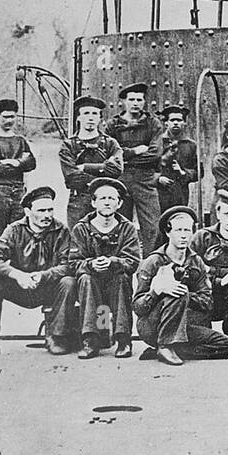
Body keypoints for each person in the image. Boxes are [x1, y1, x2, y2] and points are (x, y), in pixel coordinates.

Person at [0, 185, 76, 358]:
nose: (47, 215)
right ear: (27, 211)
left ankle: (55, 337)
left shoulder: (61, 231)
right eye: (41, 210)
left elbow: (69, 264)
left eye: (50, 210)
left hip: (48, 287)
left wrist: (44, 275)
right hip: (20, 286)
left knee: (68, 282)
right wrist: (17, 275)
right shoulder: (14, 230)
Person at [133, 206, 228, 364]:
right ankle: (165, 345)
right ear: (168, 232)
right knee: (175, 291)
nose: (183, 236)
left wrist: (187, 295)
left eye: (187, 230)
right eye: (178, 230)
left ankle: (177, 349)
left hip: (185, 325)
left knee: (226, 345)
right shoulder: (153, 262)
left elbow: (208, 302)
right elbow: (138, 307)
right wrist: (156, 292)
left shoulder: (196, 262)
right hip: (153, 326)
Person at [67, 178, 142, 359]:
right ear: (93, 202)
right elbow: (73, 262)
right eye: (102, 198)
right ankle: (91, 340)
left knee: (122, 278)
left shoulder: (128, 228)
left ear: (120, 203)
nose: (107, 202)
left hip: (116, 283)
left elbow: (132, 261)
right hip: (91, 285)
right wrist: (90, 264)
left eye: (112, 198)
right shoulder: (81, 229)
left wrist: (114, 262)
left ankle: (123, 340)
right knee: (85, 278)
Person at [104, 82, 164, 254]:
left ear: (144, 102)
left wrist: (124, 157)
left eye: (139, 99)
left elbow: (155, 154)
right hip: (119, 180)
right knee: (119, 222)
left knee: (152, 225)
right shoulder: (113, 125)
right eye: (132, 99)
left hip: (145, 180)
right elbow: (107, 154)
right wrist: (135, 151)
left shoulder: (153, 124)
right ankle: (121, 259)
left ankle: (150, 261)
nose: (135, 103)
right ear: (124, 102)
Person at [188, 191, 228, 348]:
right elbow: (191, 266)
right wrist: (220, 278)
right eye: (227, 213)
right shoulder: (203, 236)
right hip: (206, 291)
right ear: (218, 213)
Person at [58, 95, 124, 228]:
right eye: (86, 113)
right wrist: (104, 169)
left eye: (94, 114)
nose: (90, 117)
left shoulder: (110, 143)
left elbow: (116, 170)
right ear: (78, 118)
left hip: (106, 201)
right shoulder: (69, 145)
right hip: (79, 201)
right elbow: (73, 178)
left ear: (100, 118)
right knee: (78, 241)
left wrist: (85, 167)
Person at [0, 97, 37, 245]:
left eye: (12, 116)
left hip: (18, 192)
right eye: (5, 117)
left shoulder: (20, 140)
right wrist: (21, 163)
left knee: (19, 234)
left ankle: (16, 268)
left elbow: (31, 163)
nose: (9, 120)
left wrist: (14, 162)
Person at [155, 103, 199, 212]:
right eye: (172, 120)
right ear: (166, 123)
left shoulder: (190, 145)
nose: (175, 123)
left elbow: (198, 172)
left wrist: (183, 173)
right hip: (158, 192)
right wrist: (158, 178)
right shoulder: (155, 143)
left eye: (179, 120)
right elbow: (145, 169)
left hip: (180, 193)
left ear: (184, 123)